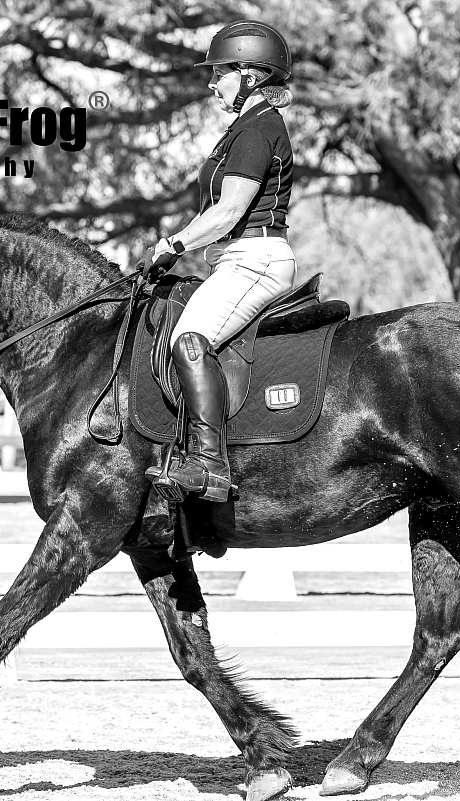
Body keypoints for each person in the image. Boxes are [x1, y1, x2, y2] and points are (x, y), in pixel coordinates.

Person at [143, 19, 296, 503]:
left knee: (190, 339)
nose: (212, 83)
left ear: (250, 75)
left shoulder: (256, 131)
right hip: (235, 259)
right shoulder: (242, 129)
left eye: (221, 73)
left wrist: (174, 244)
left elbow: (229, 210)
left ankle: (209, 465)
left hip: (256, 259)